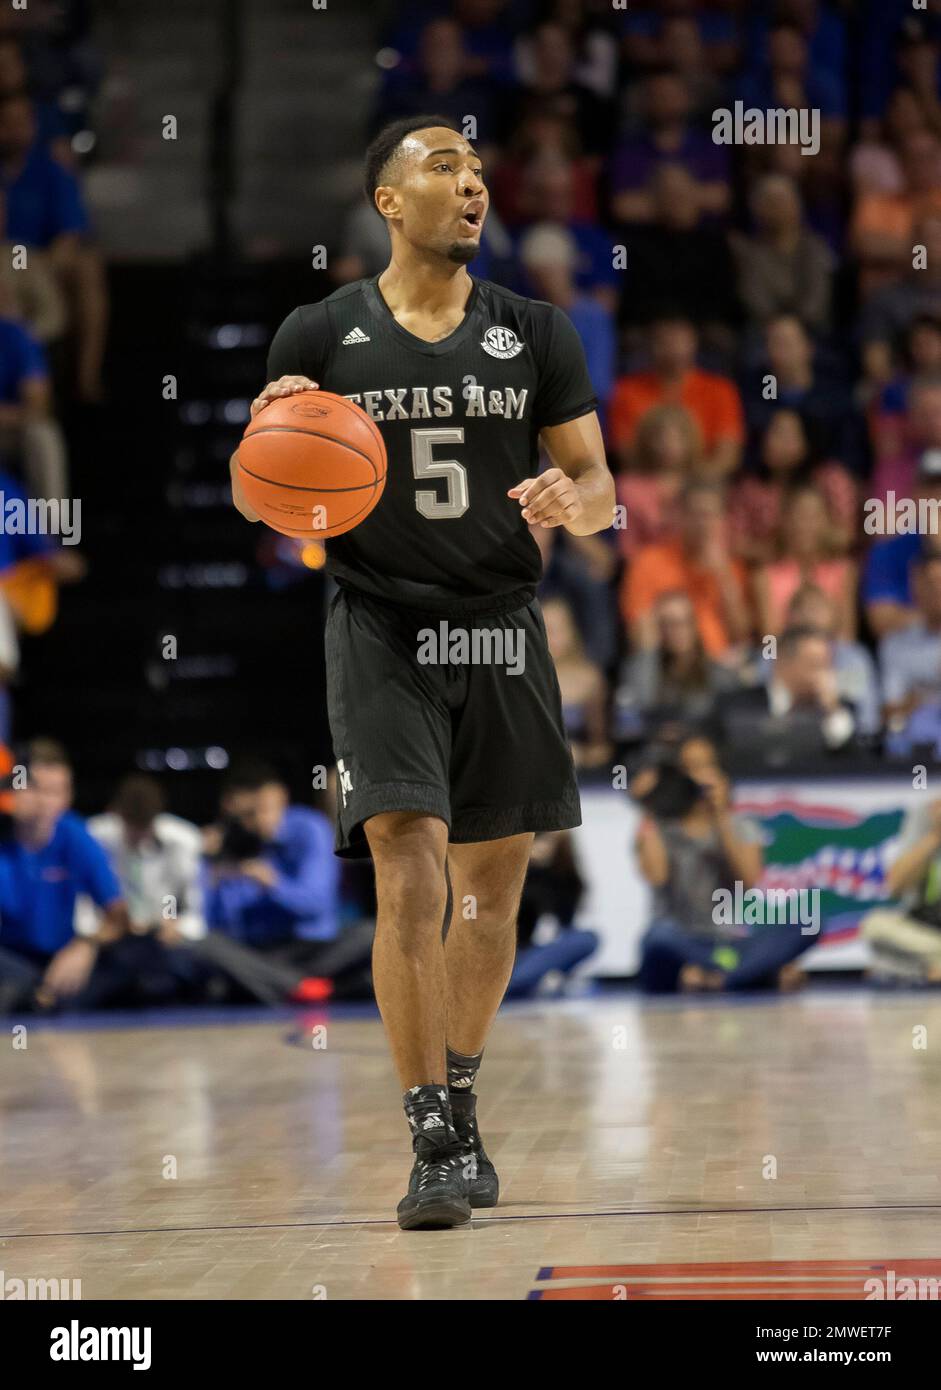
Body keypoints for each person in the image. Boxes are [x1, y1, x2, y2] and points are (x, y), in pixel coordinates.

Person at [230, 115, 614, 1231]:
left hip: (499, 622)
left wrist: (571, 501)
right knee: (409, 866)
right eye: (443, 167)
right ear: (388, 202)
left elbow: (595, 486)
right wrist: (264, 460)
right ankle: (430, 1133)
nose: (472, 183)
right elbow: (267, 505)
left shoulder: (536, 331)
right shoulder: (316, 332)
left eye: (479, 170)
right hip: (378, 621)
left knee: (490, 895)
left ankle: (459, 1085)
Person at [634, 735, 810, 993]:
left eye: (707, 766)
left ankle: (718, 975)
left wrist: (720, 815)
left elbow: (748, 882)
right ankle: (754, 972)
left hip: (727, 943)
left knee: (805, 923)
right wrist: (652, 805)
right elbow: (658, 877)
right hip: (681, 940)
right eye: (690, 768)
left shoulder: (741, 825)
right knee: (658, 937)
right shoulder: (658, 826)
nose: (699, 777)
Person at [0, 739, 131, 1013]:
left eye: (59, 792)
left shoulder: (74, 834)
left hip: (60, 956)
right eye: (40, 790)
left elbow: (117, 915)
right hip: (10, 958)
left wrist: (86, 945)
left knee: (139, 955)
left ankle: (39, 999)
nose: (49, 803)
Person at [621, 479, 751, 662]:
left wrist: (723, 577)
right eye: (695, 514)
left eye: (710, 515)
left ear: (723, 520)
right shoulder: (649, 561)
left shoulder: (731, 567)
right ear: (680, 516)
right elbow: (639, 630)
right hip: (670, 665)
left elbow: (741, 634)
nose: (703, 523)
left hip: (721, 664)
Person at [609, 316, 745, 478]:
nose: (673, 347)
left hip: (704, 488)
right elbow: (627, 455)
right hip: (645, 486)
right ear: (650, 345)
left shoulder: (721, 390)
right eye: (663, 340)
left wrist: (688, 486)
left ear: (694, 342)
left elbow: (727, 456)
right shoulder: (626, 391)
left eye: (680, 339)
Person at [719, 625, 858, 766]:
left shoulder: (839, 712)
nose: (824, 675)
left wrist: (832, 709)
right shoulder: (738, 704)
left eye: (827, 665)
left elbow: (852, 761)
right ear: (782, 662)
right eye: (815, 664)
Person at [616, 589, 744, 739]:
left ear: (695, 625)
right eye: (668, 624)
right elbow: (632, 722)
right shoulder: (641, 669)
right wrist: (648, 653)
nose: (677, 630)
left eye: (684, 621)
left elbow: (731, 728)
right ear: (657, 628)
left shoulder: (719, 674)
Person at [751, 484, 858, 641]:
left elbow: (846, 637)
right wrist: (779, 662)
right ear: (785, 521)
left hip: (832, 659)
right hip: (782, 658)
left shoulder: (843, 571)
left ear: (827, 522)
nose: (805, 525)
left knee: (855, 659)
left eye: (813, 516)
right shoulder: (764, 576)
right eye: (799, 515)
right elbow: (769, 641)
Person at [861, 797, 941, 984]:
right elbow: (896, 886)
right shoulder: (927, 812)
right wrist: (935, 836)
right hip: (929, 929)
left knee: (884, 963)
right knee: (875, 925)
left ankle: (914, 968)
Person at [878, 554, 941, 756]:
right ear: (916, 587)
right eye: (929, 582)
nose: (936, 590)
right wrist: (921, 700)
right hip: (914, 753)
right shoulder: (895, 645)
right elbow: (891, 713)